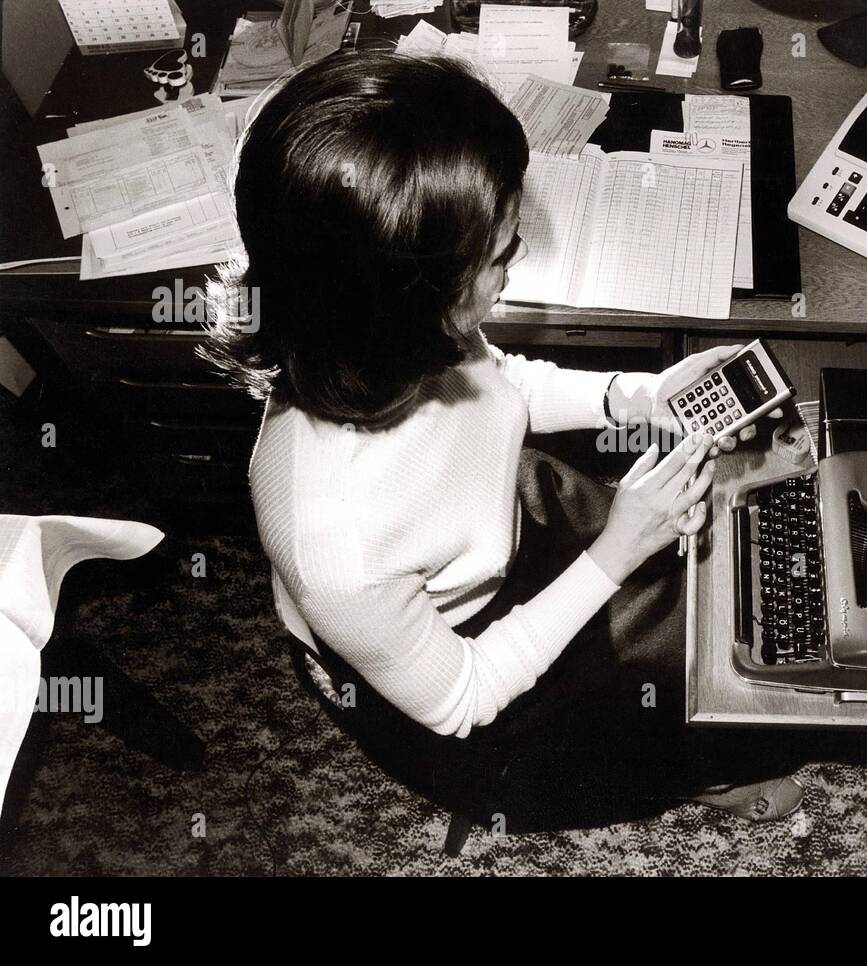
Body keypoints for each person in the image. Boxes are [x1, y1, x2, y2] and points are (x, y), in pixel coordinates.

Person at [204, 50, 806, 830]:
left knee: (701, 595)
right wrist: (613, 554)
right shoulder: (334, 541)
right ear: (401, 303)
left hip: (491, 534)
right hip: (459, 655)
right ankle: (695, 778)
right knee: (700, 677)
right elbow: (464, 697)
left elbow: (503, 383)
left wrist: (637, 397)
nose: (510, 276)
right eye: (496, 259)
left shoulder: (384, 326)